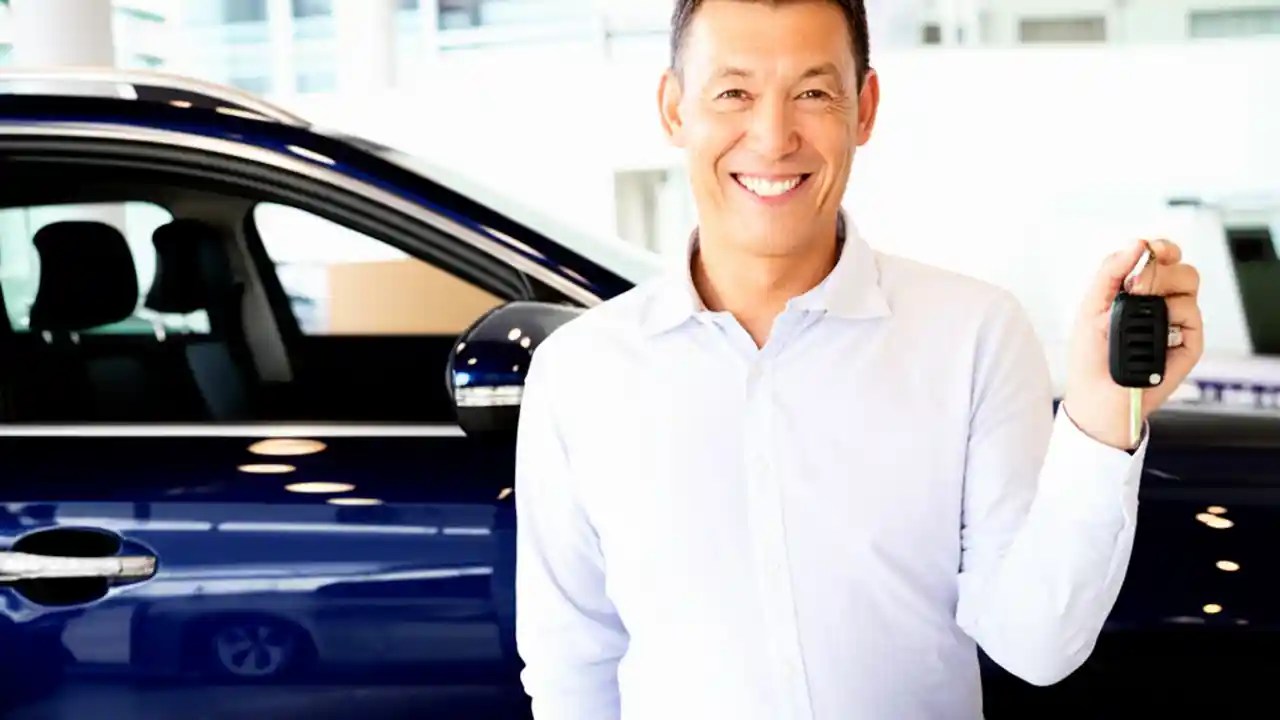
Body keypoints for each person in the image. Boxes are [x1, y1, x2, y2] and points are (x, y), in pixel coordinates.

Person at [513, 1, 1205, 718]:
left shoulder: (973, 334)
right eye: (734, 93)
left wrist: (1099, 416)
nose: (773, 136)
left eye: (812, 93)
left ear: (865, 108)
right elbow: (573, 668)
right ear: (674, 108)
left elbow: (1036, 645)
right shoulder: (581, 373)